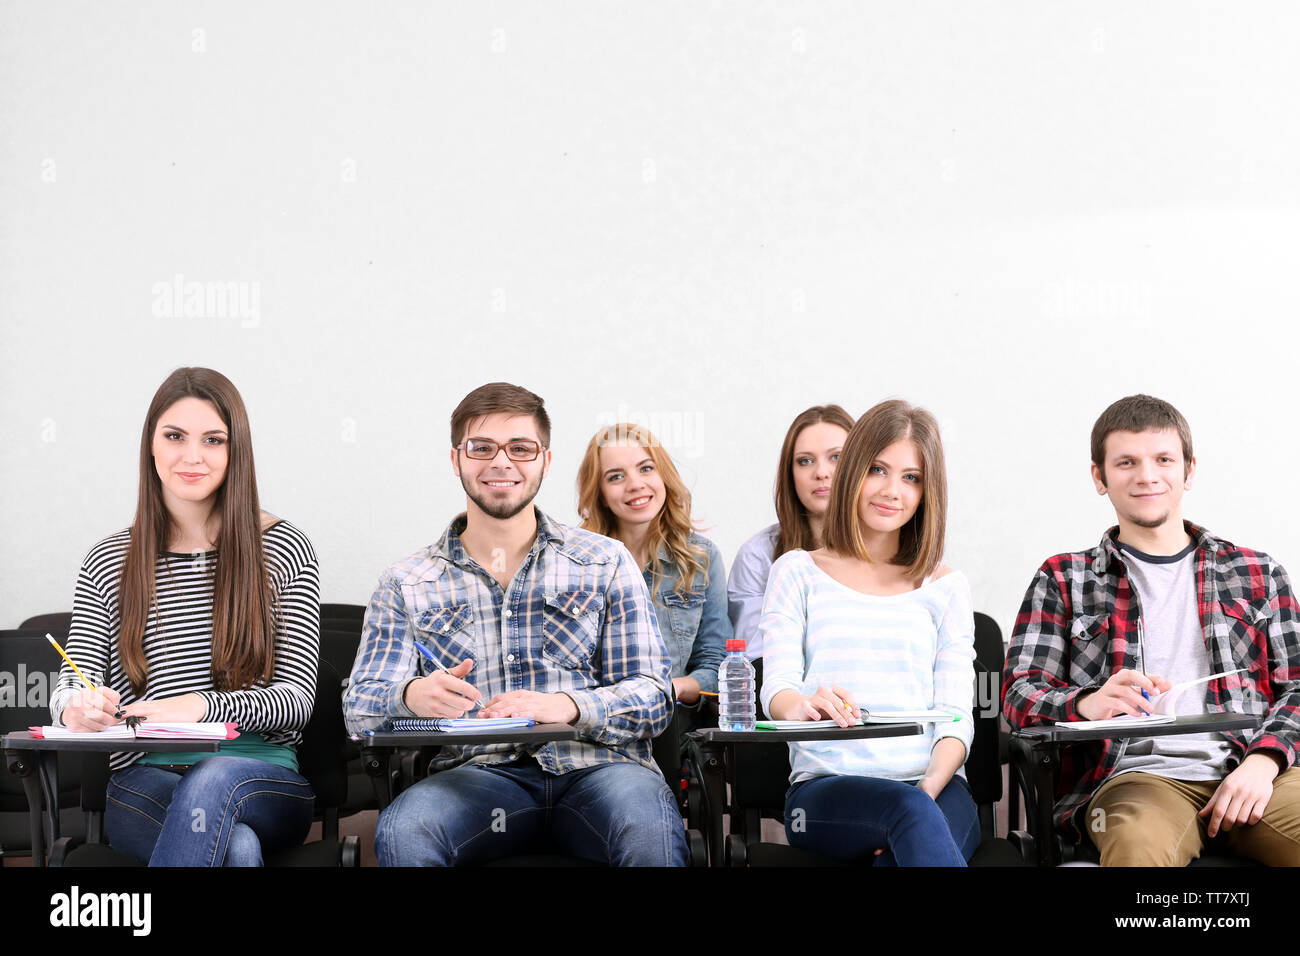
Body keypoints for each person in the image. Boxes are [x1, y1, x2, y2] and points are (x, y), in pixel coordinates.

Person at [344, 383, 687, 866]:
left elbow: (654, 695)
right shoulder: (407, 581)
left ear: (545, 461)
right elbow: (358, 708)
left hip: (602, 770)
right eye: (481, 448)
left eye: (520, 448)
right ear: (456, 459)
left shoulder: (604, 560)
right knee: (407, 829)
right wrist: (410, 697)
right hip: (476, 779)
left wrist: (568, 705)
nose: (501, 462)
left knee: (647, 828)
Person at [1003, 394, 1300, 866]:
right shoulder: (1063, 578)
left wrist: (1264, 762)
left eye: (1163, 459)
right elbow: (1020, 694)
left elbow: (1298, 687)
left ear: (1189, 469)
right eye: (1126, 462)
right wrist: (1088, 701)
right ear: (1099, 477)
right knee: (1139, 851)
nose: (1147, 476)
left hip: (1255, 771)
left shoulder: (1258, 571)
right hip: (1133, 781)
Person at [50, 367, 321, 867]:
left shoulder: (282, 549)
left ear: (234, 452)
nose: (192, 456)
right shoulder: (109, 560)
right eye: (175, 436)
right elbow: (74, 679)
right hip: (146, 780)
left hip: (261, 776)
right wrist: (74, 706)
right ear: (150, 446)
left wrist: (195, 707)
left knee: (213, 781)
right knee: (236, 850)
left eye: (213, 440)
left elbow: (297, 700)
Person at [760, 399, 978, 866]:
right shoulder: (797, 572)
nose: (892, 490)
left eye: (911, 477)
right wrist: (803, 704)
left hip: (936, 784)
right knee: (907, 817)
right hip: (823, 794)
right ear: (853, 472)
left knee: (898, 848)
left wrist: (926, 790)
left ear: (927, 492)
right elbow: (776, 690)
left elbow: (957, 718)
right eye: (877, 469)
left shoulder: (946, 587)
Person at [576, 422, 729, 712]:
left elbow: (716, 661)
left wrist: (675, 688)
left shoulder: (701, 558)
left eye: (646, 468)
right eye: (616, 476)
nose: (635, 484)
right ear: (600, 494)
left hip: (672, 726)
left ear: (663, 475)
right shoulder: (577, 564)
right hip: (598, 726)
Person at [727, 404, 853, 665]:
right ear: (790, 474)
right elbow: (758, 661)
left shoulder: (893, 547)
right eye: (805, 461)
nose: (821, 472)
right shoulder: (758, 555)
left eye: (837, 457)